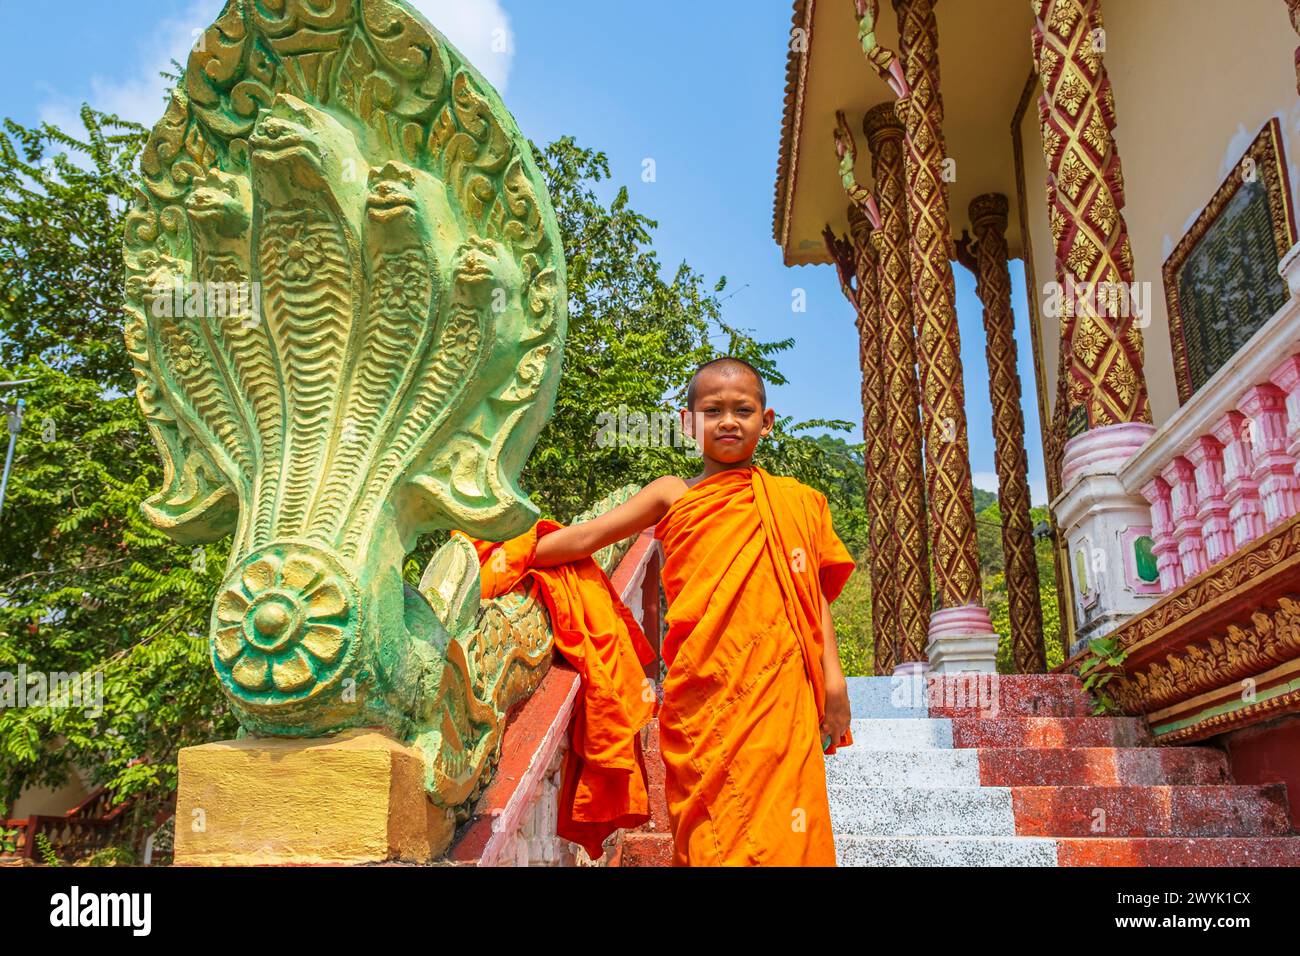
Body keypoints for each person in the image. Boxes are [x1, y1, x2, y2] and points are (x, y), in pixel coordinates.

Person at [520, 355, 857, 866]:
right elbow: (588, 537)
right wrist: (512, 554)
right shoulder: (671, 493)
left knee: (787, 825)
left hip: (778, 693)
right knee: (710, 833)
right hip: (702, 695)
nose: (728, 421)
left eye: (743, 410)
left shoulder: (797, 502)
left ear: (766, 423)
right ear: (687, 422)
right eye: (712, 410)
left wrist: (834, 680)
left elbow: (813, 599)